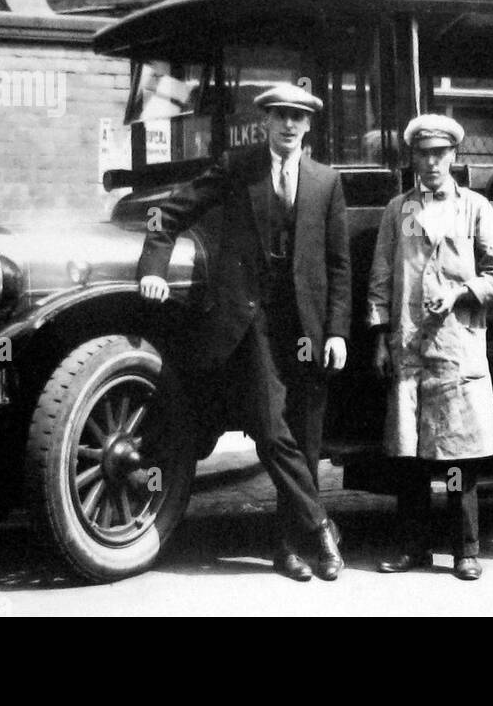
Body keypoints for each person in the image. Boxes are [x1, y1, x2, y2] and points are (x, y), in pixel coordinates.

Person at [137, 81, 350, 582]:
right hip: (252, 320)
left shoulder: (325, 181)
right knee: (273, 432)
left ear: (309, 125)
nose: (289, 126)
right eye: (281, 117)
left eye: (298, 118)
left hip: (306, 327)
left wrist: (337, 331)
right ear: (268, 121)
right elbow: (167, 213)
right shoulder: (238, 168)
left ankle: (289, 549)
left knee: (306, 436)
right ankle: (321, 526)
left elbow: (339, 267)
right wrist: (153, 266)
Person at [367, 114, 493, 581]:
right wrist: (378, 337)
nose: (431, 162)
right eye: (423, 153)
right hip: (408, 345)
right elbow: (381, 278)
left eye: (440, 153)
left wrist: (459, 292)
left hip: (457, 348)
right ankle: (414, 548)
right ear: (412, 157)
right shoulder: (399, 210)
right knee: (411, 455)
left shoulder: (474, 207)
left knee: (458, 455)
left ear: (454, 156)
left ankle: (465, 550)